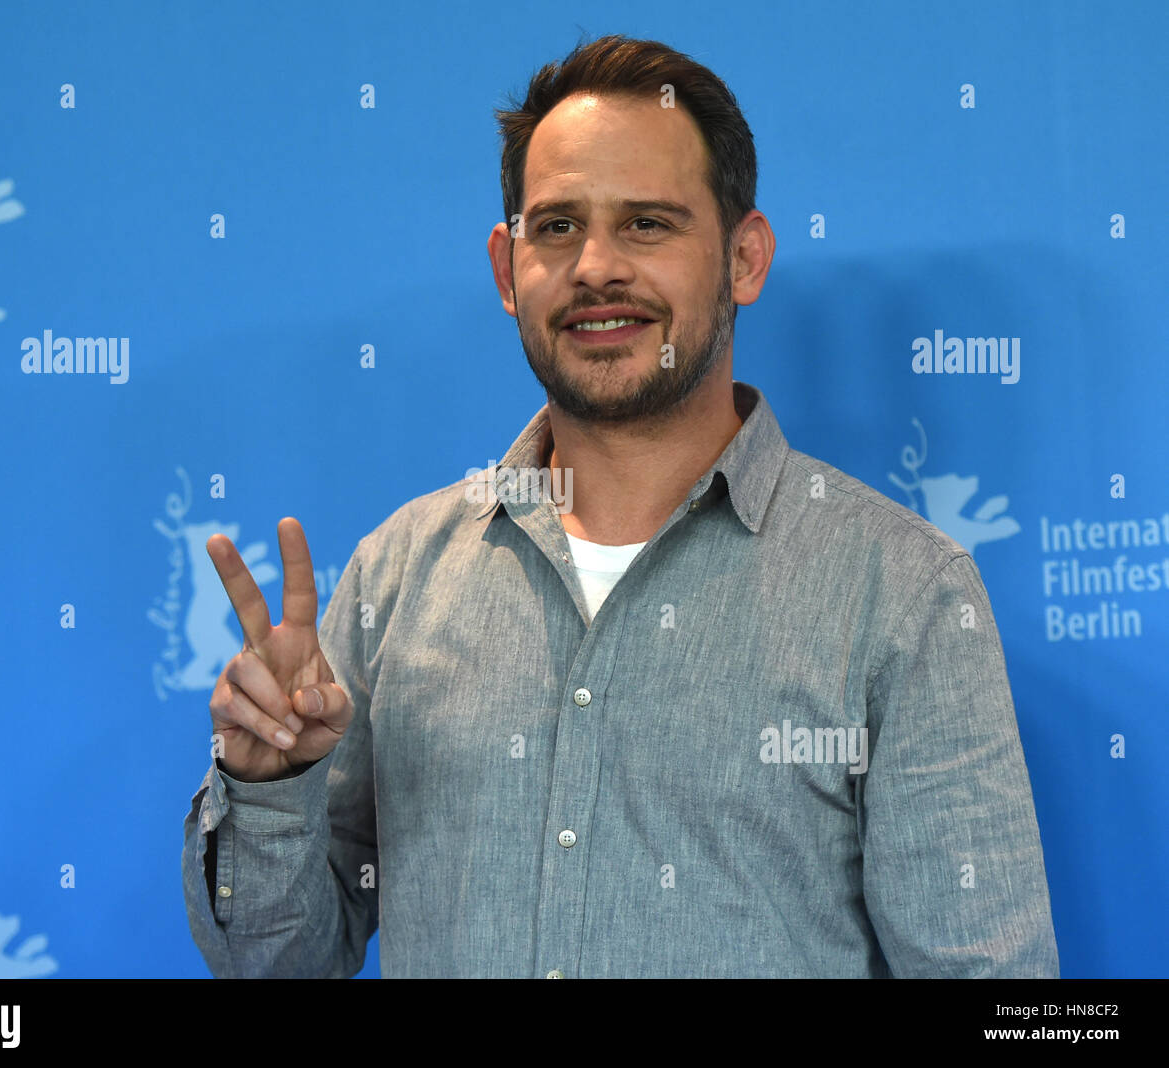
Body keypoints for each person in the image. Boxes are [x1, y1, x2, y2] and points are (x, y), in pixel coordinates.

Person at [181, 33, 1059, 978]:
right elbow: (279, 962)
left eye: (647, 223)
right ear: (506, 269)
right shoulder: (397, 575)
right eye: (558, 226)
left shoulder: (902, 593)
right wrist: (267, 786)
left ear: (745, 258)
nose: (596, 266)